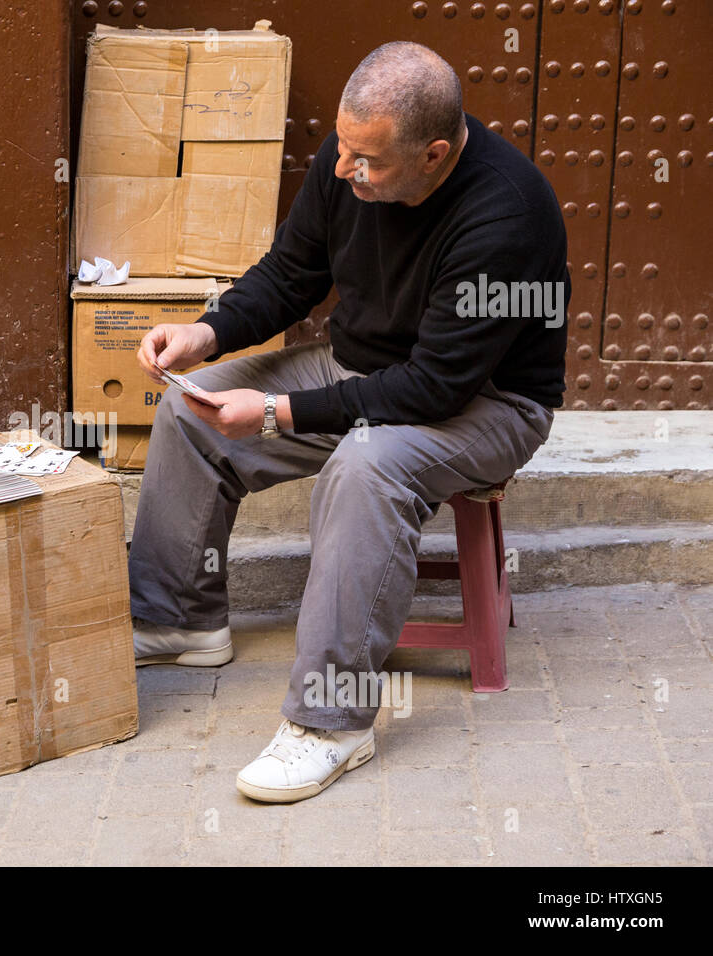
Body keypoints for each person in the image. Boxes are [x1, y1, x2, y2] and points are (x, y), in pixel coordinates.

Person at [128, 42, 568, 803]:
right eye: (343, 147)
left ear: (434, 154)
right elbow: (292, 272)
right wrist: (208, 331)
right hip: (362, 369)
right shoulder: (351, 154)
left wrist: (274, 413)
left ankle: (331, 723)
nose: (341, 169)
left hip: (486, 404)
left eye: (366, 161)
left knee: (367, 466)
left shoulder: (507, 214)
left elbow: (433, 388)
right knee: (190, 407)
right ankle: (178, 621)